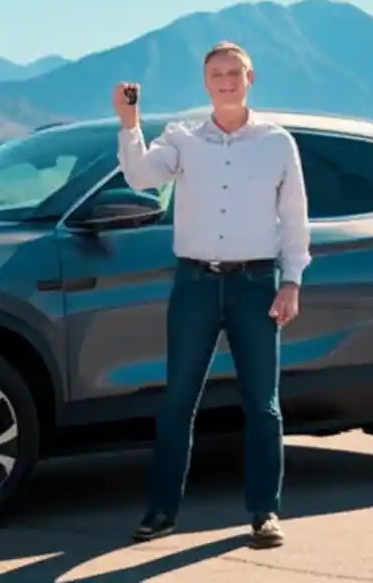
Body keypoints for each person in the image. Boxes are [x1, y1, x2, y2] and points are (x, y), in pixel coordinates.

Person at [112, 41, 311, 549]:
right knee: (178, 400)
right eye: (216, 73)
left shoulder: (276, 142)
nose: (225, 80)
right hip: (195, 284)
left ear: (250, 78)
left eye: (233, 73)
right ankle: (161, 511)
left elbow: (293, 218)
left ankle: (265, 511)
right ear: (205, 83)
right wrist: (129, 122)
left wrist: (292, 281)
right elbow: (139, 174)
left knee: (262, 404)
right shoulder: (182, 139)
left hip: (256, 284)